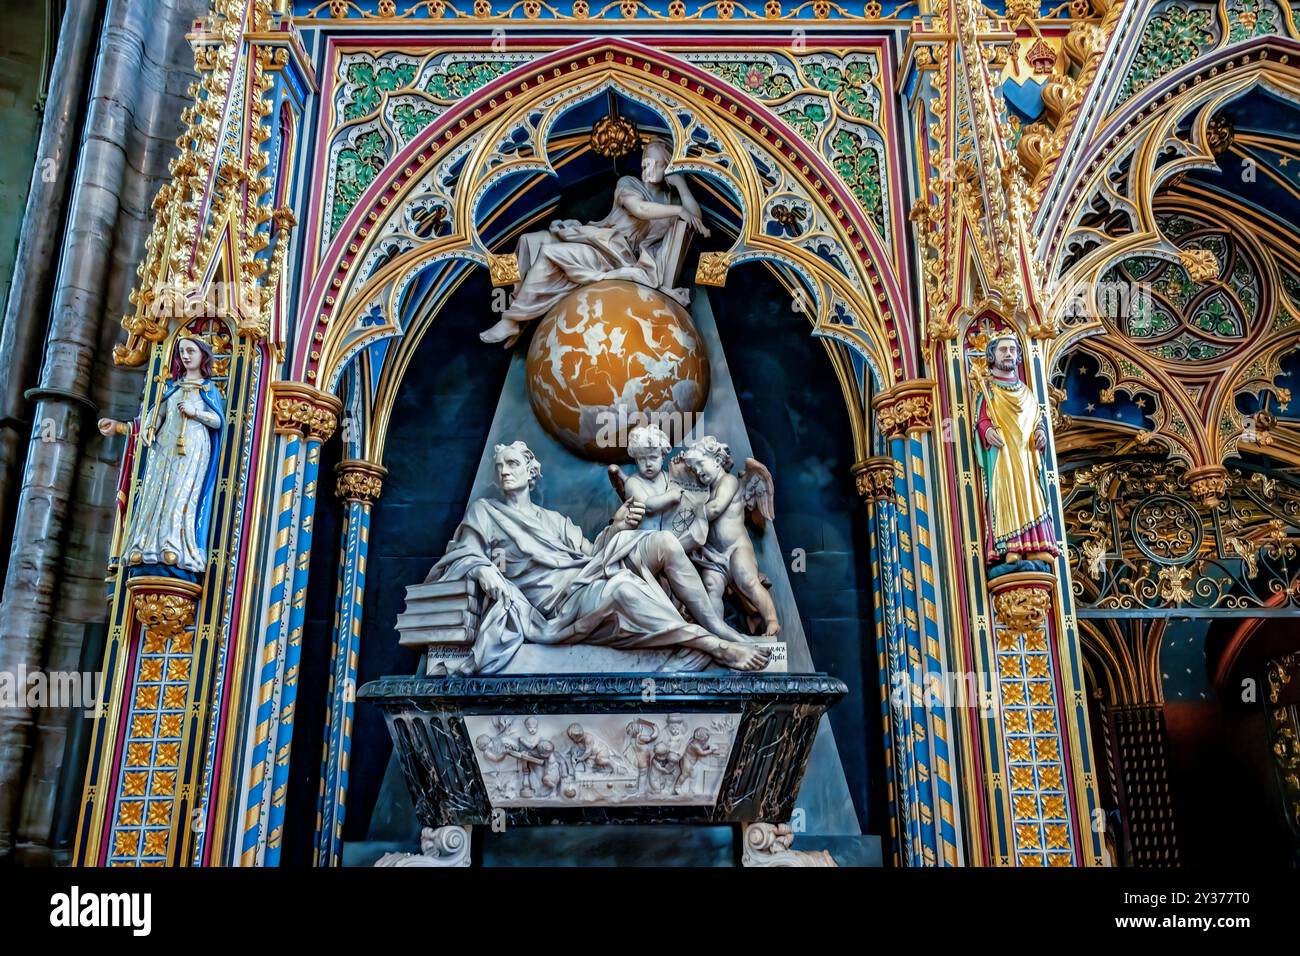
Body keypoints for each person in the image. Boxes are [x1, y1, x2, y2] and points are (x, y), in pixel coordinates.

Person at [424, 440, 770, 674]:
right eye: (500, 466)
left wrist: (618, 525)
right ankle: (716, 647)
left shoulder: (554, 521)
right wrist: (483, 568)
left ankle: (718, 626)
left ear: (532, 473)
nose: (504, 471)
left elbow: (592, 554)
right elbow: (460, 554)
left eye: (513, 464)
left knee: (663, 540)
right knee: (621, 587)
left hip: (582, 576)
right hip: (556, 603)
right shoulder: (485, 512)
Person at [480, 137, 710, 347]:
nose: (646, 167)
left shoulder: (671, 202)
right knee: (528, 241)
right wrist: (679, 208)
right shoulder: (629, 183)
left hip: (614, 254)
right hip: (597, 238)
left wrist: (681, 185)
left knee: (550, 252)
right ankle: (517, 302)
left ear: (668, 166)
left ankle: (512, 319)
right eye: (644, 162)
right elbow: (639, 208)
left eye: (654, 163)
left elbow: (694, 221)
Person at [98, 336, 224, 574]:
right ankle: (148, 545)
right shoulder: (173, 387)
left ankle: (176, 545)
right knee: (157, 492)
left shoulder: (208, 390)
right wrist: (148, 428)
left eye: (191, 351)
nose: (186, 356)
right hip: (165, 447)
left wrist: (196, 412)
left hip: (192, 448)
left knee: (180, 494)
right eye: (182, 351)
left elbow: (217, 421)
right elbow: (158, 412)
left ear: (203, 355)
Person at [974, 336, 1059, 565]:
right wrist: (987, 430)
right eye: (1003, 350)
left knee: (1033, 497)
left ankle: (1035, 547)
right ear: (992, 355)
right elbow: (981, 418)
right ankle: (1011, 548)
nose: (1009, 353)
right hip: (1003, 456)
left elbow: (1036, 418)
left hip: (1026, 456)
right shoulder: (988, 388)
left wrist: (1040, 432)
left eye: (1012, 349)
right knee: (1007, 495)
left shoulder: (1027, 392)